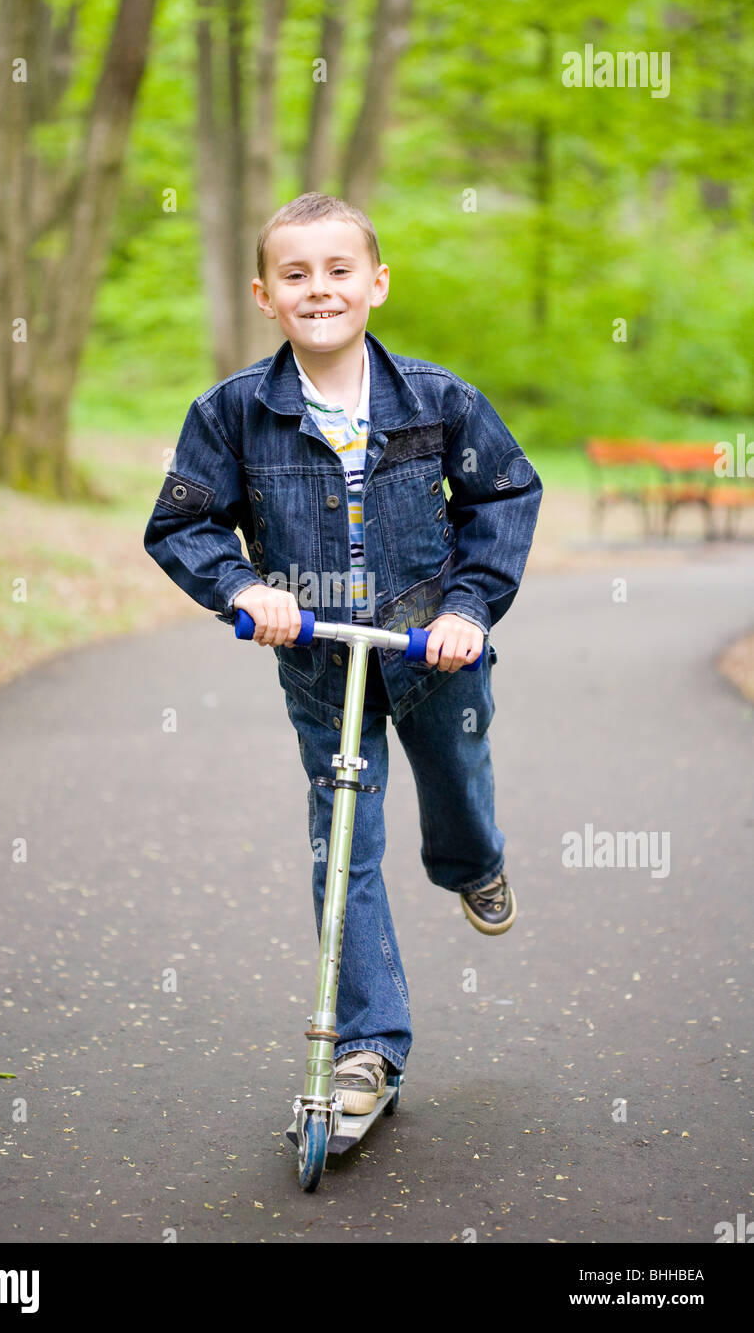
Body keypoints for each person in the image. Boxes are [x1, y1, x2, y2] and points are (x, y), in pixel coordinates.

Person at [144, 192, 542, 1115]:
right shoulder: (233, 413)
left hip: (433, 649)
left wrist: (471, 610)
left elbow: (505, 494)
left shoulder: (439, 399)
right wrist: (246, 592)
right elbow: (183, 522)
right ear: (264, 294)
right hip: (323, 664)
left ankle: (473, 863)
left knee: (457, 782)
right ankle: (366, 1048)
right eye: (295, 275)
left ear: (376, 283)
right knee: (343, 848)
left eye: (338, 270)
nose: (318, 289)